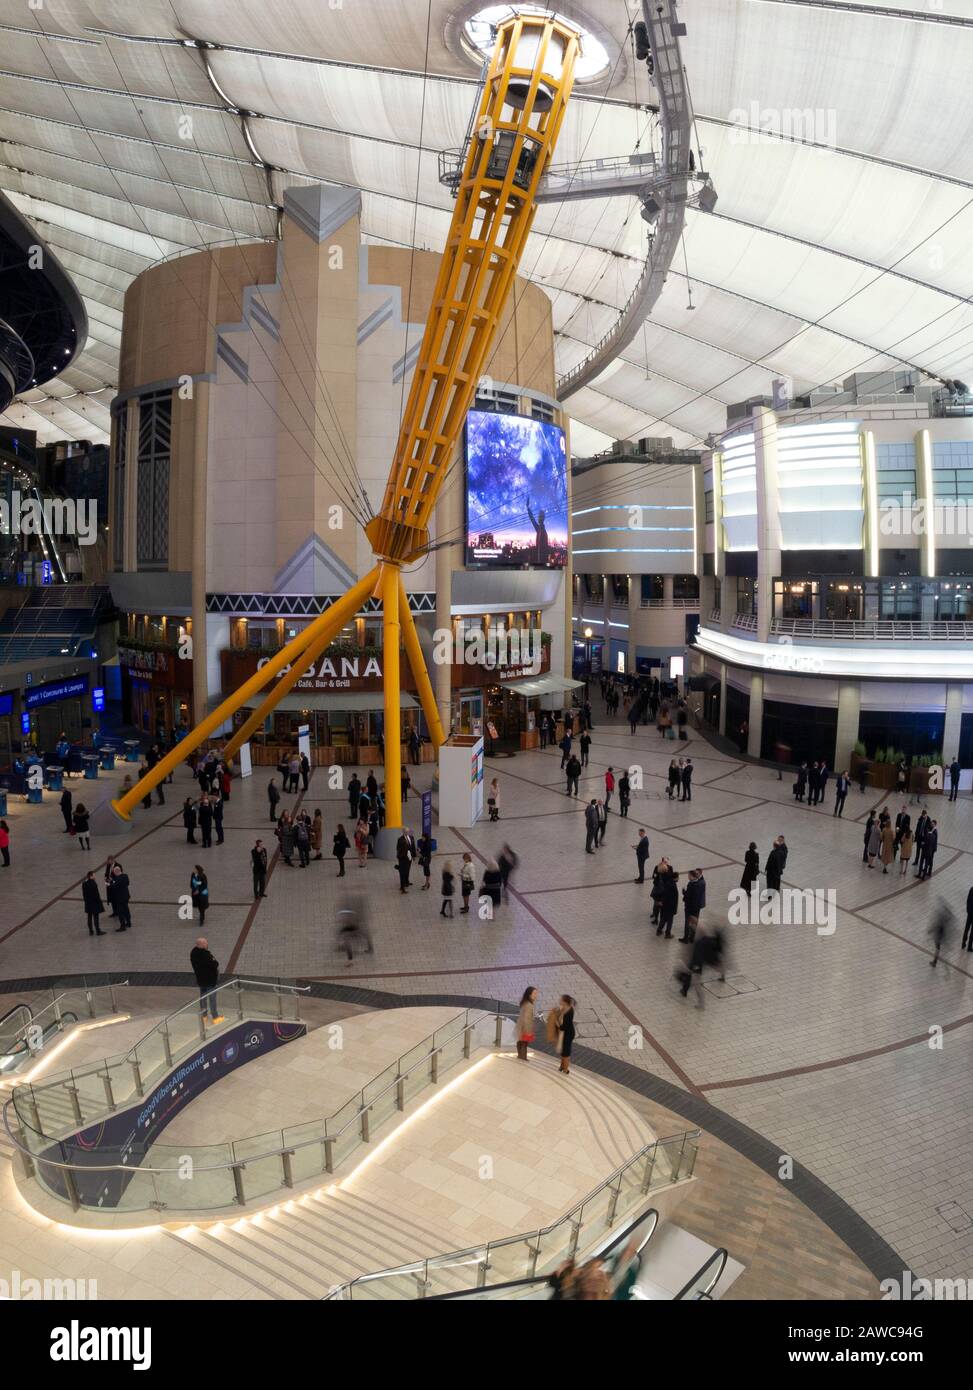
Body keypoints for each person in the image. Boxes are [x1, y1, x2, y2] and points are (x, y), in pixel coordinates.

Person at [190, 937, 223, 1020]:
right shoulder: (206, 954)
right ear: (202, 945)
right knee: (212, 998)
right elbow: (215, 964)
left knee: (203, 997)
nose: (207, 944)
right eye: (205, 943)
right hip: (210, 980)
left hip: (200, 979)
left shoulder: (193, 952)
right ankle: (215, 1017)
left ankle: (204, 1015)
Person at [680, 868, 705, 944]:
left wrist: (684, 892)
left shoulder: (691, 884)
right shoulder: (701, 883)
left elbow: (689, 896)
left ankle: (685, 938)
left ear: (692, 876)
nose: (688, 877)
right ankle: (692, 937)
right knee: (694, 922)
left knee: (687, 922)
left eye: (689, 875)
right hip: (697, 906)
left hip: (690, 907)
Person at [516, 985, 538, 1061]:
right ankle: (523, 1058)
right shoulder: (529, 1005)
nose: (536, 995)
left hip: (521, 1026)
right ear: (529, 994)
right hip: (525, 1028)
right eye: (534, 993)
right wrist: (528, 1030)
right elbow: (526, 1018)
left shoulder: (525, 1002)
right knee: (524, 1043)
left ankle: (520, 1056)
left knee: (521, 1042)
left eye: (536, 993)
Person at [655, 867, 678, 939]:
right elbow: (672, 897)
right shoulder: (673, 885)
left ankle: (659, 930)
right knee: (670, 921)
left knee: (664, 919)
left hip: (665, 905)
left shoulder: (668, 882)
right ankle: (668, 934)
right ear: (676, 878)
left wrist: (662, 902)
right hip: (670, 906)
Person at [555, 994, 576, 1075]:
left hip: (568, 1034)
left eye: (561, 1000)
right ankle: (562, 1066)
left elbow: (563, 1027)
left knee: (566, 1052)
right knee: (563, 1051)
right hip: (564, 1034)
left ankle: (566, 1070)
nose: (559, 1001)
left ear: (565, 1002)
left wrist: (557, 1023)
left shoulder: (569, 1012)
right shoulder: (564, 1008)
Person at [928, 902, 953, 968]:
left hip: (939, 937)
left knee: (938, 949)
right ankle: (936, 961)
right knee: (939, 949)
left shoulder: (941, 919)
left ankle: (935, 962)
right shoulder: (947, 919)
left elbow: (937, 925)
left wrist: (931, 930)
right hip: (942, 936)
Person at [82, 871, 105, 936]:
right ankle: (98, 931)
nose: (95, 876)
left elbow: (84, 894)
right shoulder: (93, 884)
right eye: (93, 875)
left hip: (88, 903)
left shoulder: (84, 883)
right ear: (91, 876)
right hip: (94, 903)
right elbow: (96, 895)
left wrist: (86, 901)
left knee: (89, 917)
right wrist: (99, 902)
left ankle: (91, 931)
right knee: (96, 917)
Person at [112, 865, 132, 932]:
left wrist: (110, 883)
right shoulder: (125, 876)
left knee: (120, 912)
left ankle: (122, 926)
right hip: (126, 896)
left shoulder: (116, 879)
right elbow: (128, 883)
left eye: (114, 872)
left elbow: (114, 888)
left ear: (116, 872)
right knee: (126, 910)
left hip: (119, 898)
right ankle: (129, 923)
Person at [963, 885, 973, 952]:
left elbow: (968, 899)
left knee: (967, 928)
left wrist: (968, 909)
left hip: (970, 912)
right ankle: (969, 947)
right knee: (972, 931)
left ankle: (963, 943)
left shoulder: (972, 889)